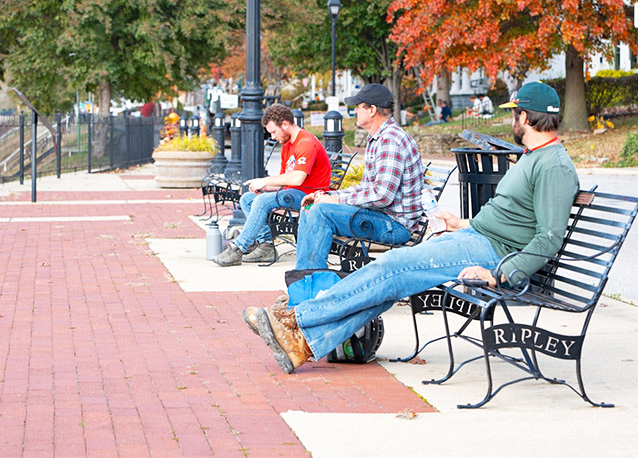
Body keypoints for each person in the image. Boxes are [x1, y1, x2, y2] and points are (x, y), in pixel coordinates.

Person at [244, 82, 579, 373]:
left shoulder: (554, 165)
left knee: (392, 266)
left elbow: (548, 238)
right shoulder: (533, 155)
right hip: (475, 237)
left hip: (492, 254)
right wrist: (461, 222)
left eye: (515, 113)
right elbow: (510, 214)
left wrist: (500, 274)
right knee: (393, 279)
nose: (512, 120)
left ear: (526, 116)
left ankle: (297, 320)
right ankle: (301, 341)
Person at [291, 83, 424, 271]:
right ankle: (303, 281)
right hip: (382, 217)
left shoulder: (390, 140)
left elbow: (382, 195)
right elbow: (366, 187)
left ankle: (312, 285)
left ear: (372, 110)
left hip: (395, 225)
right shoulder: (379, 138)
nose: (354, 111)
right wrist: (326, 195)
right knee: (311, 208)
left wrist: (335, 200)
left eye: (358, 106)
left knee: (320, 213)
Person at [214, 103, 331, 266]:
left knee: (262, 201)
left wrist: (266, 181)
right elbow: (285, 178)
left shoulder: (305, 142)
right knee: (248, 198)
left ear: (285, 124)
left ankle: (238, 248)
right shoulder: (287, 145)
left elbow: (297, 178)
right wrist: (266, 187)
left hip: (310, 197)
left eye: (273, 132)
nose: (273, 137)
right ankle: (265, 246)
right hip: (293, 194)